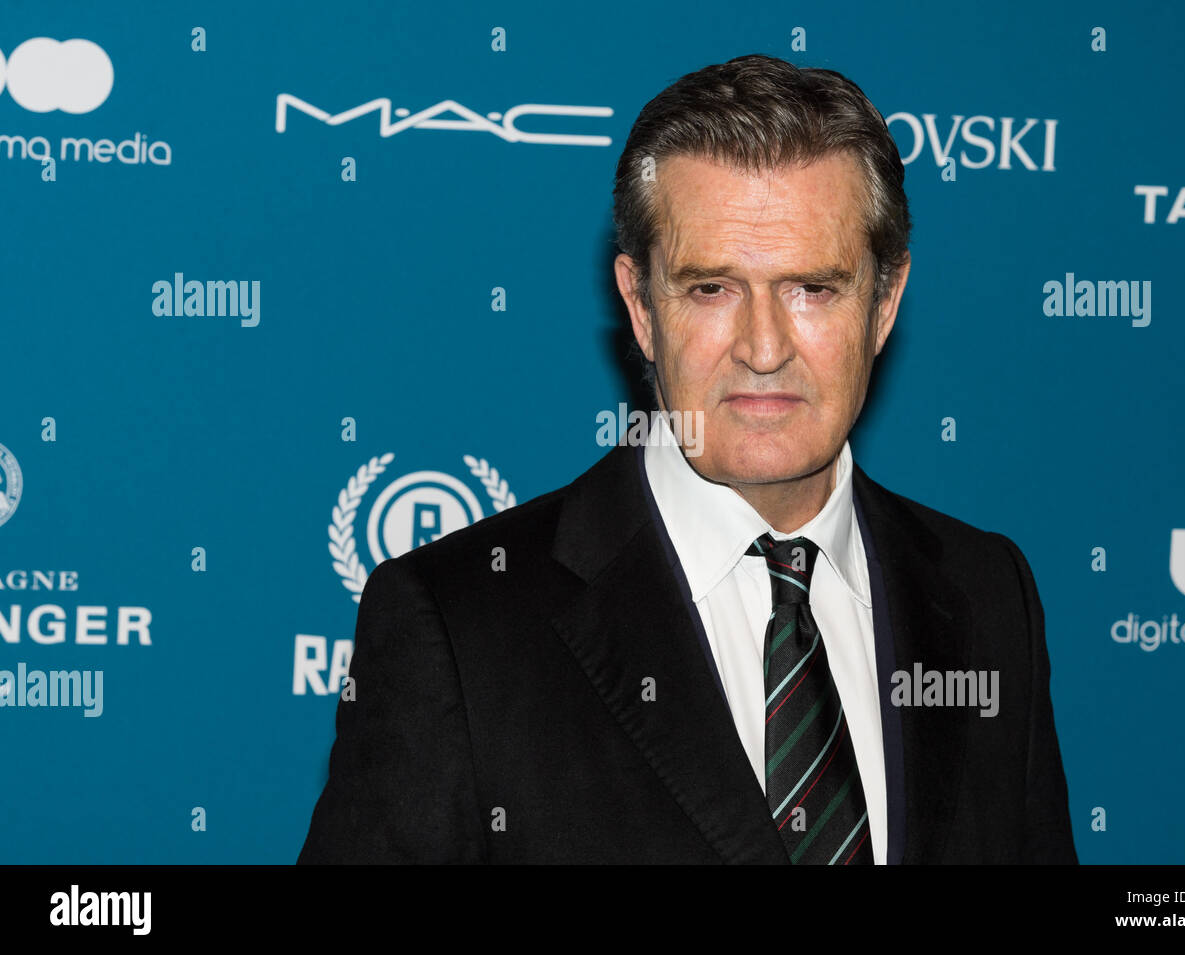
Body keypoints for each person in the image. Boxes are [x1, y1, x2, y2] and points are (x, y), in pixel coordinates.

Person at [298, 53, 1077, 864]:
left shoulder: (989, 598)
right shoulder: (458, 626)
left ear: (885, 304)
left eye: (812, 287)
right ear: (640, 306)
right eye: (713, 289)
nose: (765, 348)